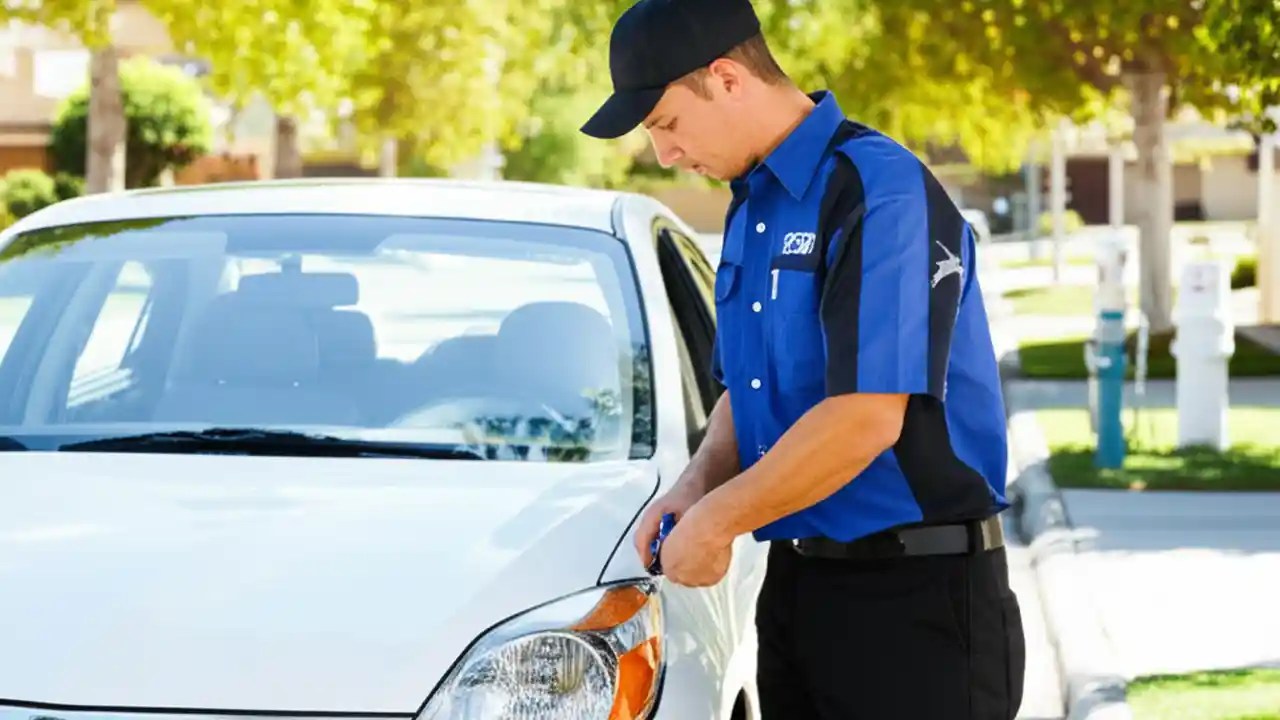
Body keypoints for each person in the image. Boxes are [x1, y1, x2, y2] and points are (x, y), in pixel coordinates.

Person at [580, 0, 1026, 718]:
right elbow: (751, 392)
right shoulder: (752, 202)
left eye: (664, 123)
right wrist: (694, 488)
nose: (663, 153)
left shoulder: (877, 188)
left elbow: (865, 418)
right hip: (798, 590)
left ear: (726, 78)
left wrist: (720, 521)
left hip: (919, 607)